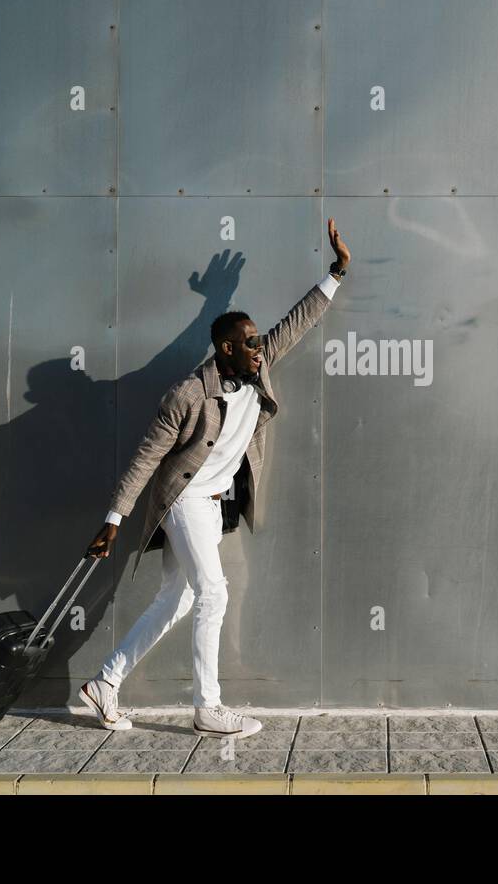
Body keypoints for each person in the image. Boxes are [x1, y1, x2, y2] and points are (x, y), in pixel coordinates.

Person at [78, 218, 351, 738]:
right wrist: (114, 519)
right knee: (215, 593)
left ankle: (105, 683)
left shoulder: (259, 365)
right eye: (248, 342)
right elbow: (144, 458)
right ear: (225, 350)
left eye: (256, 341)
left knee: (177, 598)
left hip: (213, 503)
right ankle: (208, 707)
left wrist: (336, 271)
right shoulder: (188, 395)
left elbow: (299, 320)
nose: (258, 347)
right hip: (185, 499)